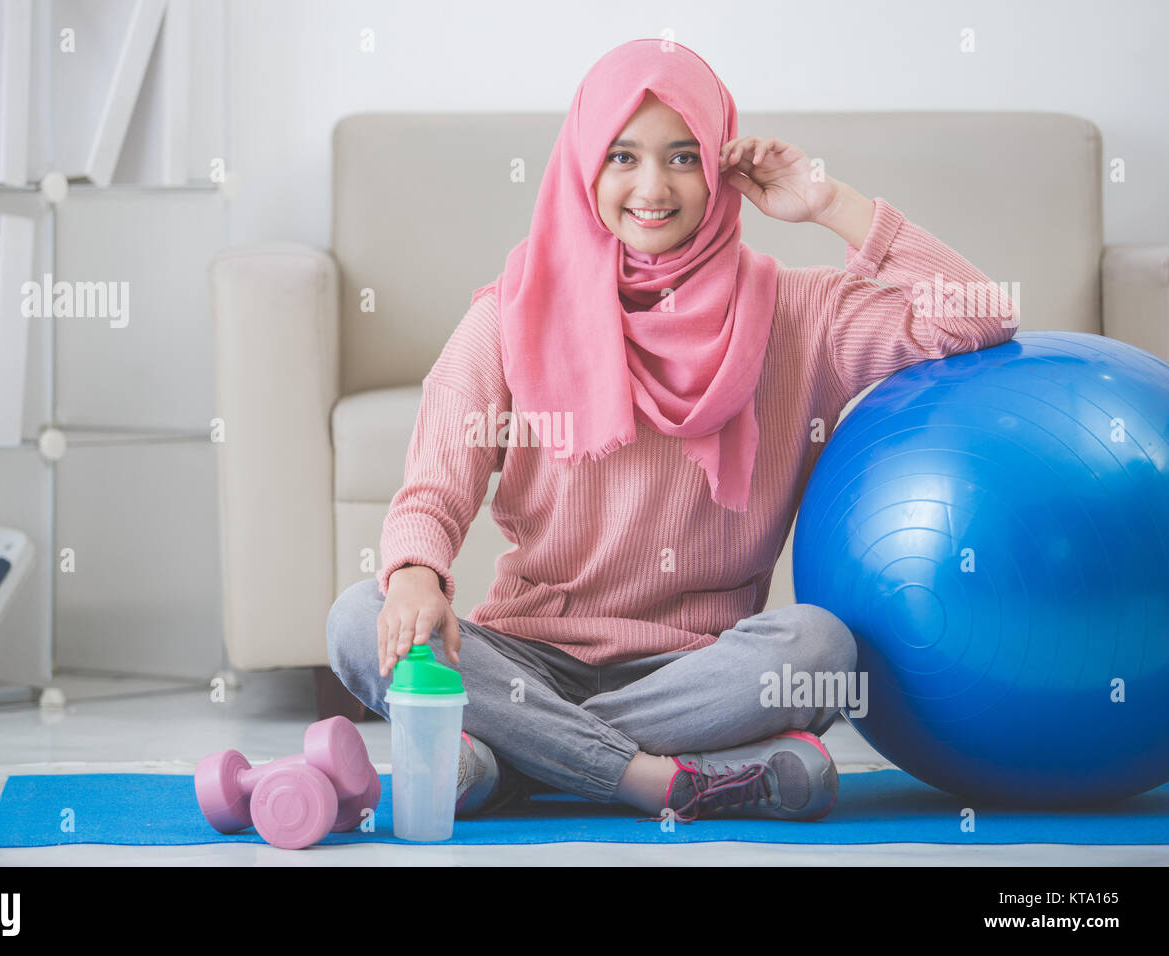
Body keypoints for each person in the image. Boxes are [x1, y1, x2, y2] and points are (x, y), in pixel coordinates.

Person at [326, 38, 1018, 823]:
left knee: (820, 648)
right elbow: (433, 490)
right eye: (622, 156)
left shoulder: (801, 314)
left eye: (683, 156)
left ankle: (515, 762)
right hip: (526, 657)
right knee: (356, 617)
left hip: (700, 672)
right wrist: (416, 574)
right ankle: (651, 781)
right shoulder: (511, 314)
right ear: (584, 165)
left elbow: (981, 315)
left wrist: (829, 201)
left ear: (719, 169)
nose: (652, 187)